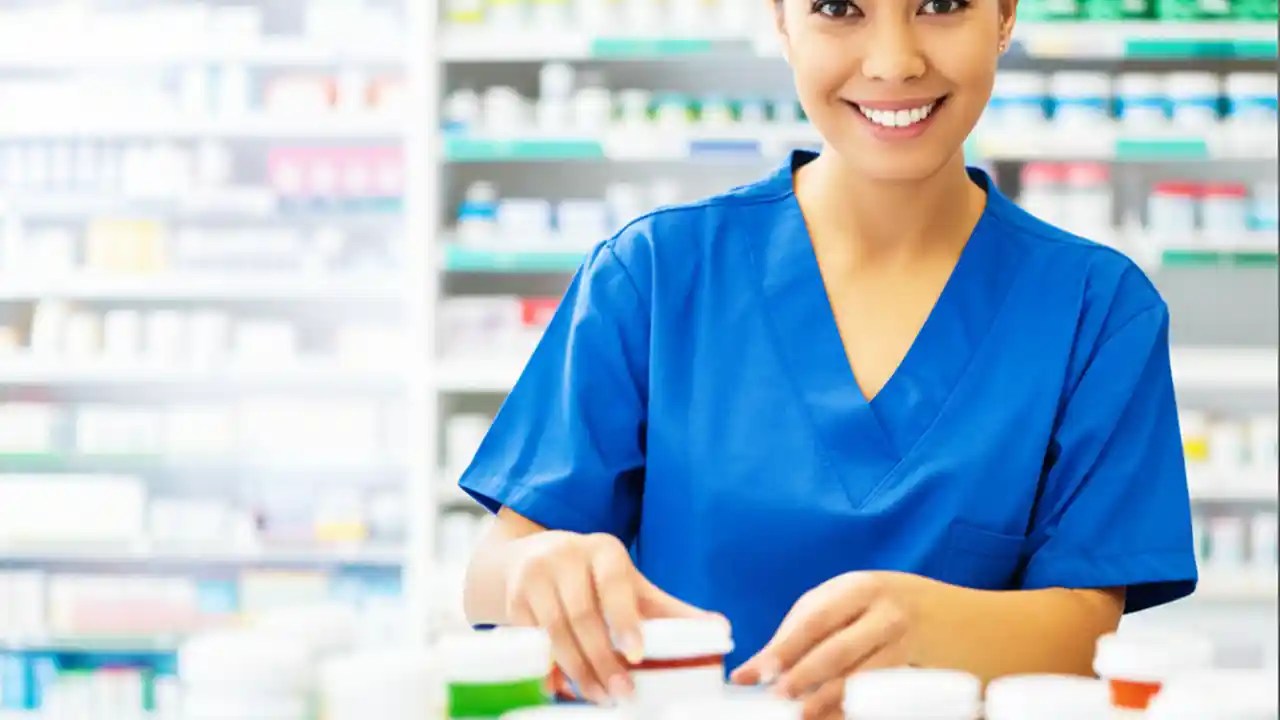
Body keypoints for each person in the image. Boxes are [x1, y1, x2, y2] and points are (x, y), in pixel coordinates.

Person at [458, 0, 1198, 717]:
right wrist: (535, 571)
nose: (894, 60)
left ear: (1005, 16)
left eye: (941, 4)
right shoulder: (653, 274)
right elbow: (490, 576)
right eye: (840, 8)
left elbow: (1082, 629)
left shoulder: (1097, 310)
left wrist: (926, 626)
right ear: (780, 20)